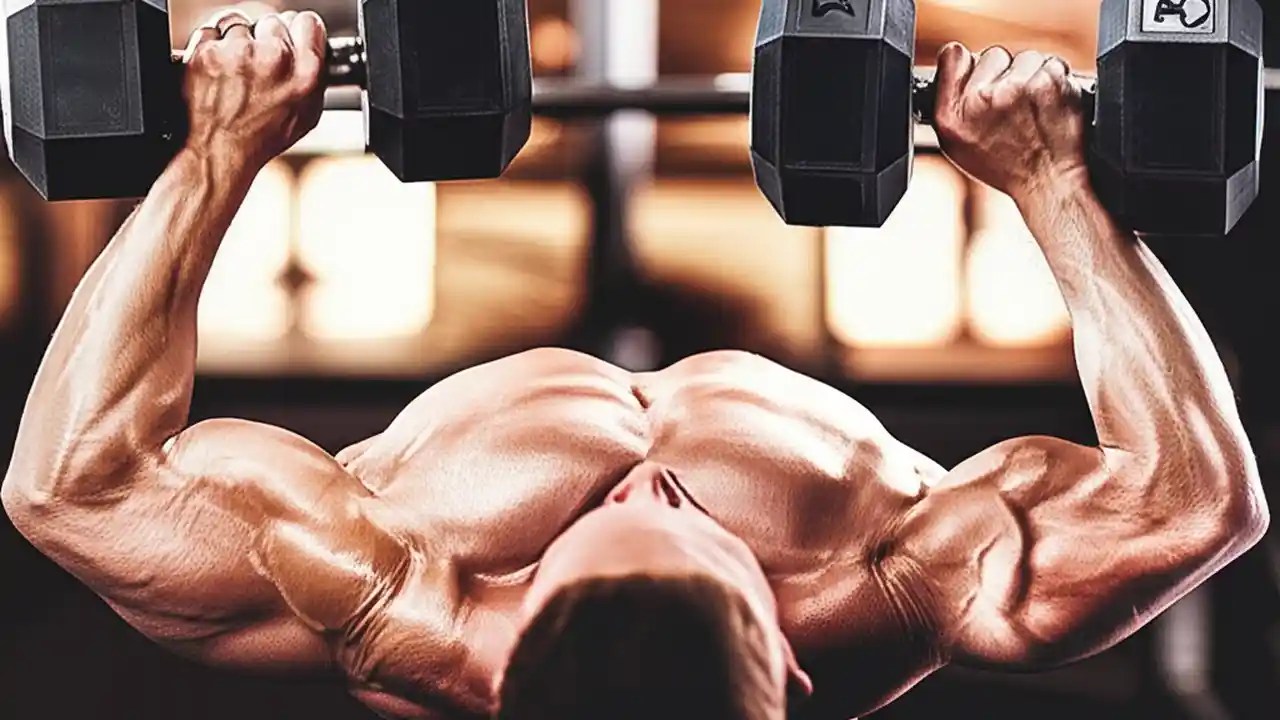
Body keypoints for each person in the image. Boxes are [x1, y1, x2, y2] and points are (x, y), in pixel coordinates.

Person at [1, 9, 1269, 720]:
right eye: (696, 539)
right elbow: (1194, 504)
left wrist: (216, 154)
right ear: (788, 663)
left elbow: (73, 489)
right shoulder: (904, 596)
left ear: (506, 653)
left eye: (599, 529)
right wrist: (1050, 183)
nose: (645, 485)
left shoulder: (388, 597)